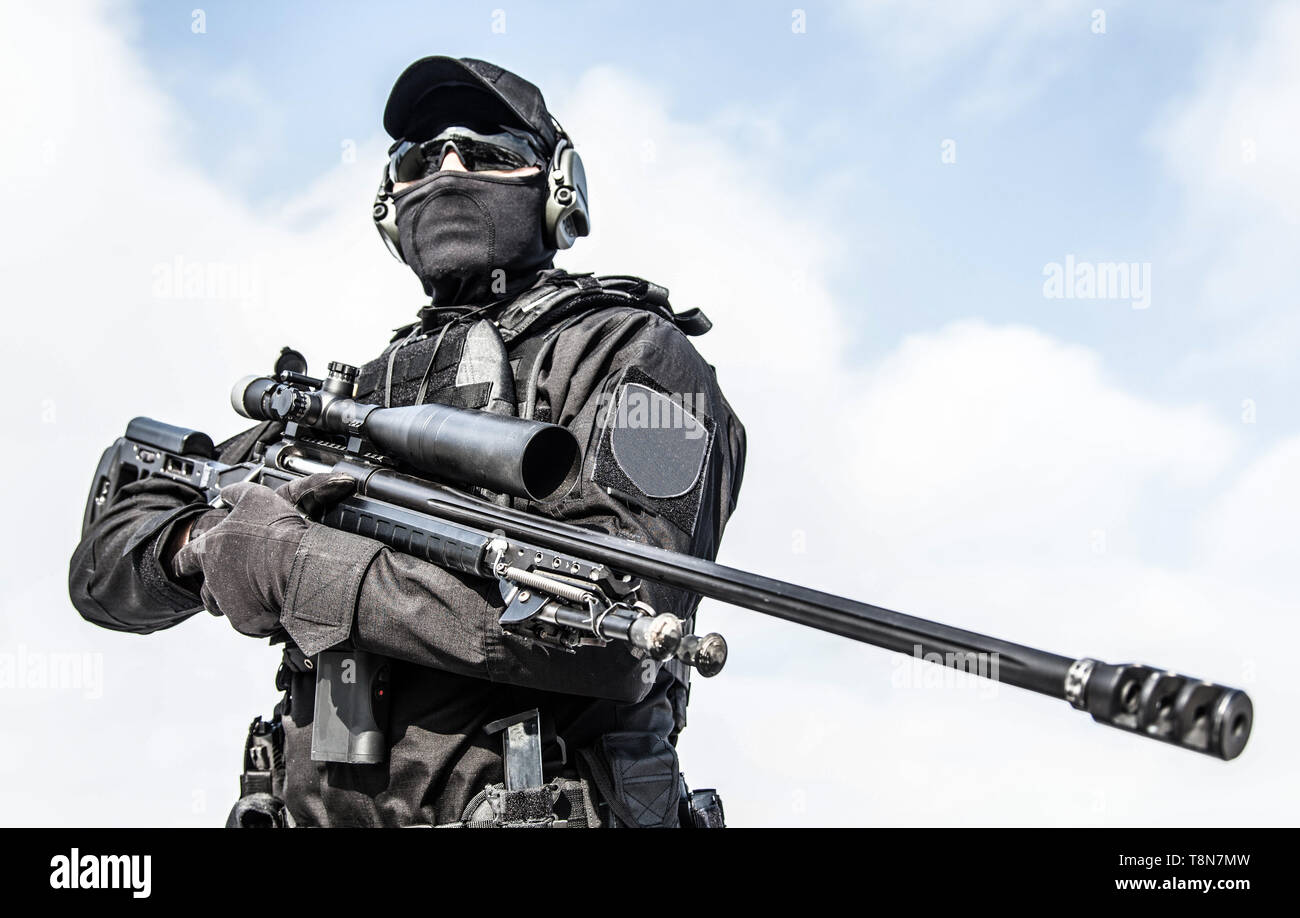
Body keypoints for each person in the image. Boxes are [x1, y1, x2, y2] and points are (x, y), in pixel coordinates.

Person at [68, 56, 745, 828]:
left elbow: (619, 634)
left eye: (487, 150)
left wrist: (299, 569)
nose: (448, 168)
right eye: (420, 160)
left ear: (558, 188)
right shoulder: (347, 401)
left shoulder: (646, 362)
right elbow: (102, 571)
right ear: (390, 207)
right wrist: (203, 545)